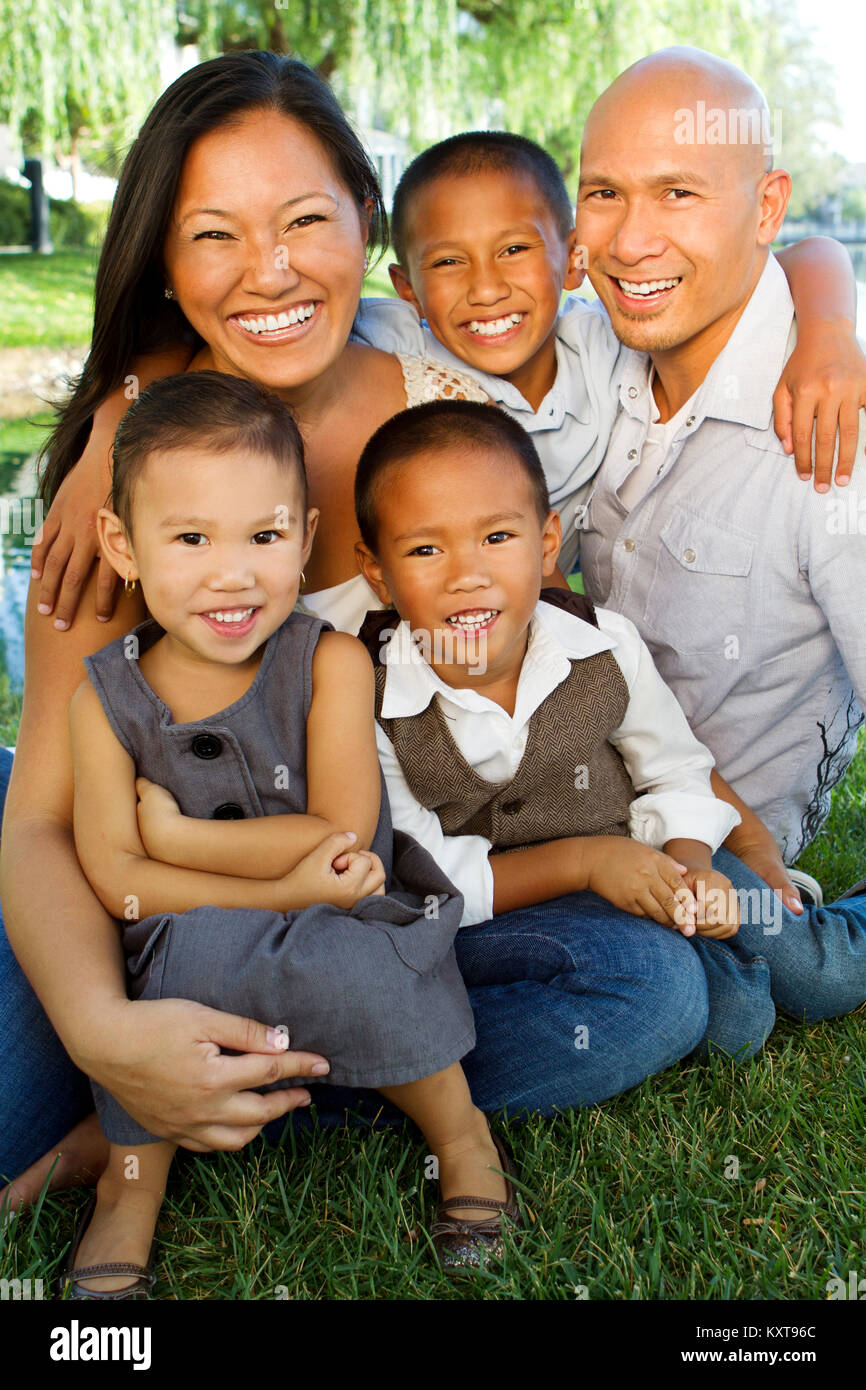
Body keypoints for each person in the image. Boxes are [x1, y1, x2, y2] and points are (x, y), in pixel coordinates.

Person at [0, 52, 707, 1216]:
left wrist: (827, 292)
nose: (268, 269)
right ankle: (179, 1076)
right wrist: (105, 1027)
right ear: (166, 267)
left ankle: (224, 1097)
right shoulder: (123, 492)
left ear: (367, 223)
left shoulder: (457, 395)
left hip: (376, 896)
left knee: (646, 993)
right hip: (155, 909)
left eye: (304, 220)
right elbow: (43, 822)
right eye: (212, 235)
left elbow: (667, 317)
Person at [62, 371, 518, 1296]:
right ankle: (128, 1187)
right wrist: (276, 885)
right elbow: (119, 880)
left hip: (350, 917)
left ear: (304, 541)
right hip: (193, 934)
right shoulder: (102, 698)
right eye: (189, 539)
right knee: (162, 993)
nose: (232, 574)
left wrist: (179, 842)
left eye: (264, 537)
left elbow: (342, 838)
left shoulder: (331, 661)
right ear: (124, 543)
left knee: (369, 974)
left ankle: (459, 1137)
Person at [352, 399, 866, 1058]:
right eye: (425, 548)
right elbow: (431, 877)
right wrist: (587, 865)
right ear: (377, 572)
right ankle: (718, 974)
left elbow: (676, 769)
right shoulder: (372, 699)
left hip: (652, 852)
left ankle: (825, 928)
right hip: (516, 910)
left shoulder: (599, 645)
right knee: (736, 1023)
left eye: (497, 538)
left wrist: (692, 865)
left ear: (545, 544)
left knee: (819, 975)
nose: (467, 575)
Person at [573, 48, 866, 1018]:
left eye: (676, 193)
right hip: (570, 785)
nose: (628, 239)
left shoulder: (829, 438)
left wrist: (826, 314)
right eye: (603, 193)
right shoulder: (579, 363)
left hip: (720, 843)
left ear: (765, 208)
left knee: (783, 968)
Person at [351, 129, 866, 579]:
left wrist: (830, 333)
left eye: (514, 250)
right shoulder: (397, 345)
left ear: (575, 260)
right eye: (447, 261)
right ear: (407, 287)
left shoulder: (603, 341)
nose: (486, 289)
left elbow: (803, 254)